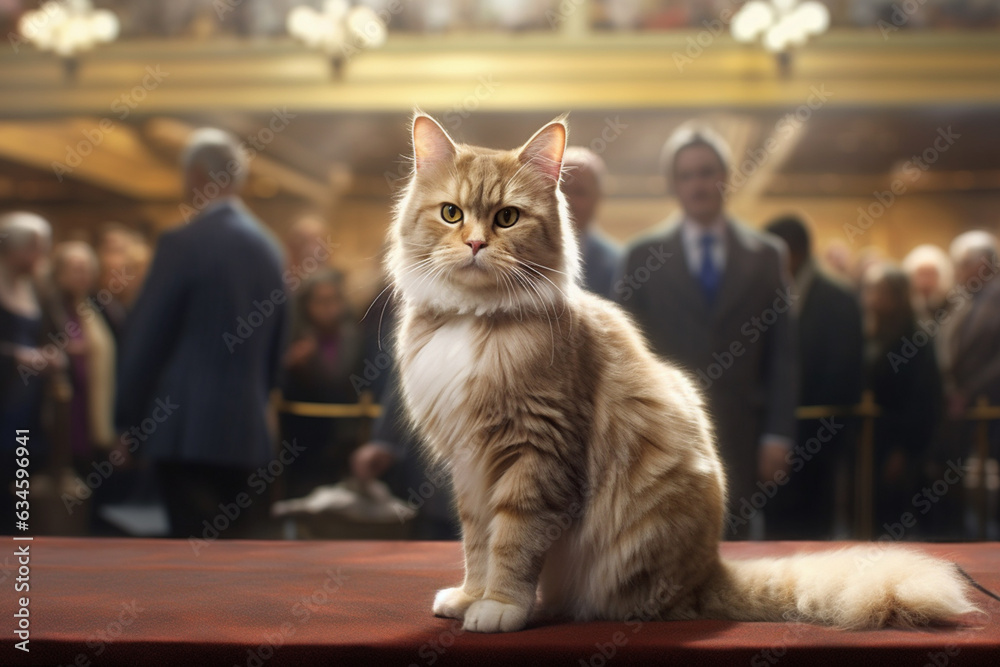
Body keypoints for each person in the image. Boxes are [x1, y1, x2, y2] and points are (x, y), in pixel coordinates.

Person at [614, 123, 797, 540]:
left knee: (737, 553)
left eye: (706, 171)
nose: (698, 183)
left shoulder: (768, 255)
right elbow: (621, 356)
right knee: (665, 545)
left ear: (725, 177)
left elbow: (783, 355)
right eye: (686, 174)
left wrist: (777, 434)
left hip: (741, 435)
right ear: (674, 185)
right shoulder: (642, 254)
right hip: (664, 436)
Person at [115, 128, 288, 540]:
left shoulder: (183, 242)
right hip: (246, 431)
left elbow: (147, 340)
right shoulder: (269, 247)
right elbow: (278, 343)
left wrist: (127, 421)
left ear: (195, 174)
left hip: (183, 428)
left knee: (185, 562)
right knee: (232, 559)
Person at [763, 214, 864, 539]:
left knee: (814, 534)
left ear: (790, 252)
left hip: (819, 438)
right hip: (778, 435)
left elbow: (845, 373)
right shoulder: (773, 291)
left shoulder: (838, 296)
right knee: (776, 534)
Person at [861, 263, 942, 535]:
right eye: (870, 289)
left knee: (899, 515)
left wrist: (902, 450)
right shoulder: (874, 332)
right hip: (875, 440)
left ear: (897, 295)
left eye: (880, 291)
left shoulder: (916, 337)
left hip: (901, 443)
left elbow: (922, 399)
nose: (872, 297)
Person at [280, 269, 363, 498]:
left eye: (334, 300)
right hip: (301, 441)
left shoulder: (353, 336)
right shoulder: (295, 337)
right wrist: (293, 365)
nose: (329, 308)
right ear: (306, 305)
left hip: (343, 438)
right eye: (321, 301)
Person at [0, 212, 58, 534]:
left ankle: (18, 556)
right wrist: (15, 357)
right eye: (37, 247)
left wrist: (50, 356)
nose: (42, 255)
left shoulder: (37, 288)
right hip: (4, 400)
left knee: (20, 492)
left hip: (27, 409)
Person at [560, 147, 621, 297]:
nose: (568, 200)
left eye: (580, 192)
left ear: (598, 198)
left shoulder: (619, 263)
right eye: (561, 189)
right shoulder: (518, 256)